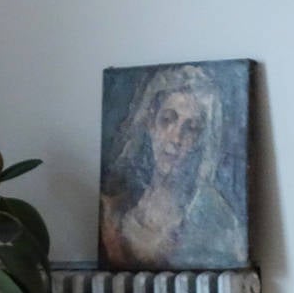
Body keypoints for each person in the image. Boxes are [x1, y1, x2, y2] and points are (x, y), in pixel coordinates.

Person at [99, 64, 246, 270]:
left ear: (201, 142)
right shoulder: (117, 205)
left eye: (191, 129)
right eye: (168, 120)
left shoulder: (214, 217)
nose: (175, 139)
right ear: (151, 123)